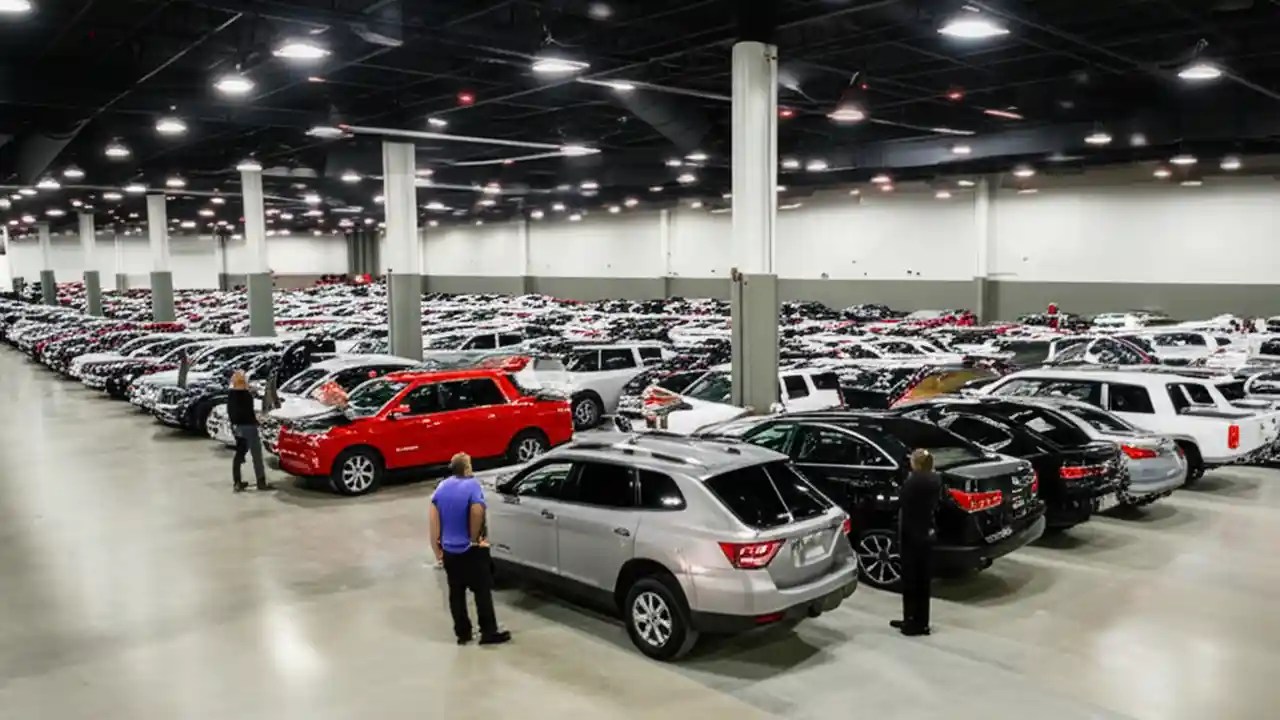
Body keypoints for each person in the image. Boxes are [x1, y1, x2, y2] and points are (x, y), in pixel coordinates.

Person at [429, 453, 511, 646]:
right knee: (482, 591)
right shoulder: (472, 485)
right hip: (471, 550)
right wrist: (474, 539)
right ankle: (488, 632)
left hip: (450, 550)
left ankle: (462, 633)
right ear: (467, 469)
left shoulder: (441, 487)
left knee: (455, 593)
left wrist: (437, 548)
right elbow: (477, 510)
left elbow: (433, 518)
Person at [892, 448, 941, 636]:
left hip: (912, 536)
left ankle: (912, 622)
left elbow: (903, 502)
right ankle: (920, 620)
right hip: (927, 533)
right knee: (923, 581)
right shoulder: (935, 479)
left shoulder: (914, 482)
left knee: (911, 581)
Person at [227, 370, 272, 493]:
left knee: (239, 455)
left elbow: (231, 413)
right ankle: (261, 481)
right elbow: (249, 413)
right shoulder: (246, 395)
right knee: (256, 455)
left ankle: (237, 482)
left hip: (237, 428)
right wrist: (257, 421)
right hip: (249, 427)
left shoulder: (231, 396)